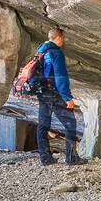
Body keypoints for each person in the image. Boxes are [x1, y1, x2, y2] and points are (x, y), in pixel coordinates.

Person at [35, 26, 82, 165]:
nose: (64, 41)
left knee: (43, 125)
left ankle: (45, 158)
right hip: (54, 93)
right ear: (59, 37)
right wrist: (68, 98)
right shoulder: (56, 52)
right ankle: (71, 158)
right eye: (63, 38)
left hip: (42, 92)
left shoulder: (41, 50)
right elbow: (61, 78)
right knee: (70, 123)